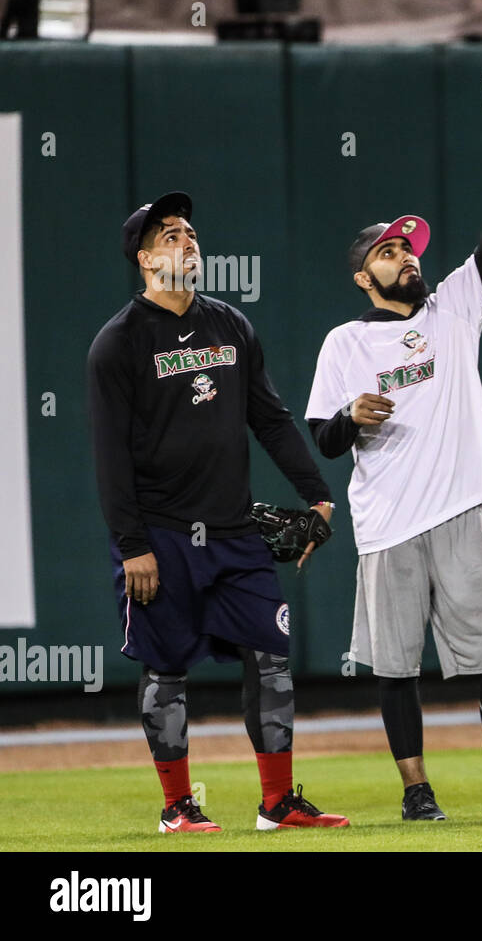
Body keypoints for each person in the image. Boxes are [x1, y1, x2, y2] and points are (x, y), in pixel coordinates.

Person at [305, 137, 482, 822]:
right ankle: (418, 792)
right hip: (387, 525)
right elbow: (323, 440)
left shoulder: (453, 310)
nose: (405, 256)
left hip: (460, 517)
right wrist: (352, 416)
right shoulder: (345, 342)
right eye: (387, 252)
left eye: (408, 247)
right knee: (395, 667)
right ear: (363, 276)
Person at [88, 191, 349, 833]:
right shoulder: (117, 344)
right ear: (146, 259)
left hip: (234, 531)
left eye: (191, 233)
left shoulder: (230, 324)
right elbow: (109, 457)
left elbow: (270, 417)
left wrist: (314, 490)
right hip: (162, 535)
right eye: (171, 235)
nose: (187, 242)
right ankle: (177, 806)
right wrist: (131, 544)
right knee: (167, 667)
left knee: (272, 657)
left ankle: (277, 803)